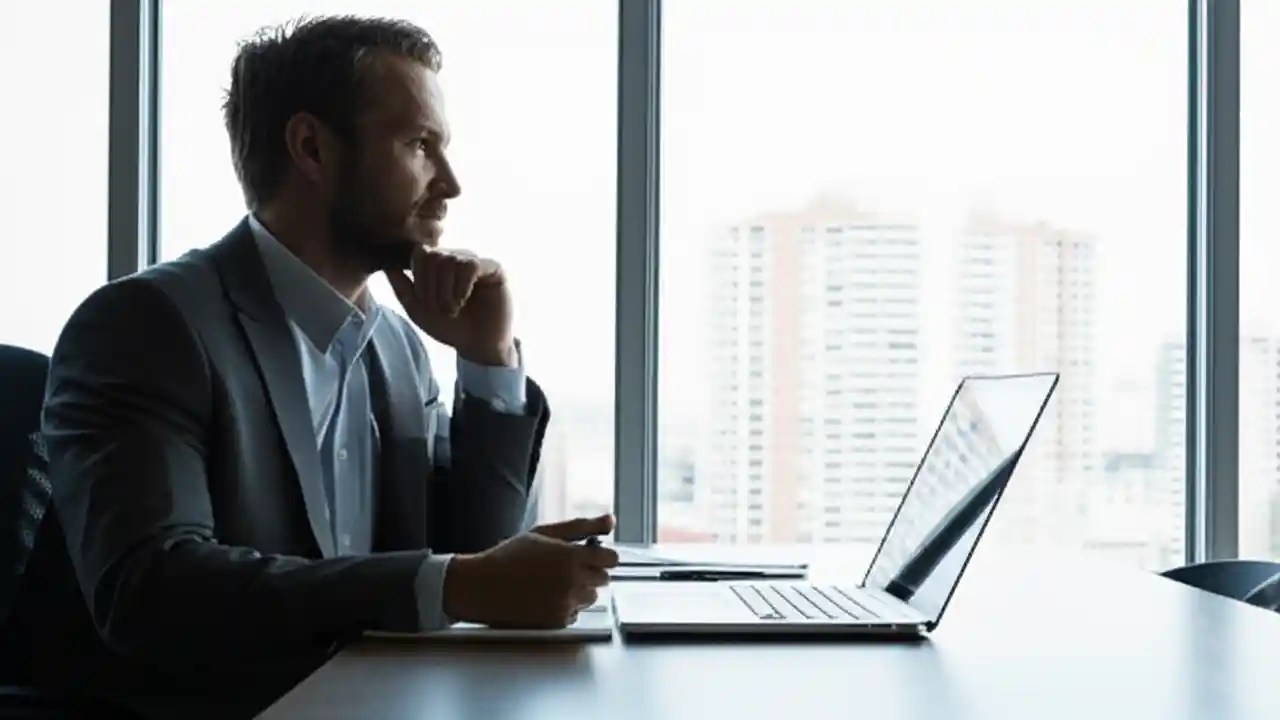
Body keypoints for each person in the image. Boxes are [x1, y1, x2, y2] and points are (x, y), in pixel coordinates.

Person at [40, 14, 618, 717]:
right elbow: (148, 590)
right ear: (312, 148)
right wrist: (460, 584)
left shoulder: (396, 347)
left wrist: (486, 359)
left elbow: (476, 567)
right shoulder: (147, 326)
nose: (451, 184)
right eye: (419, 145)